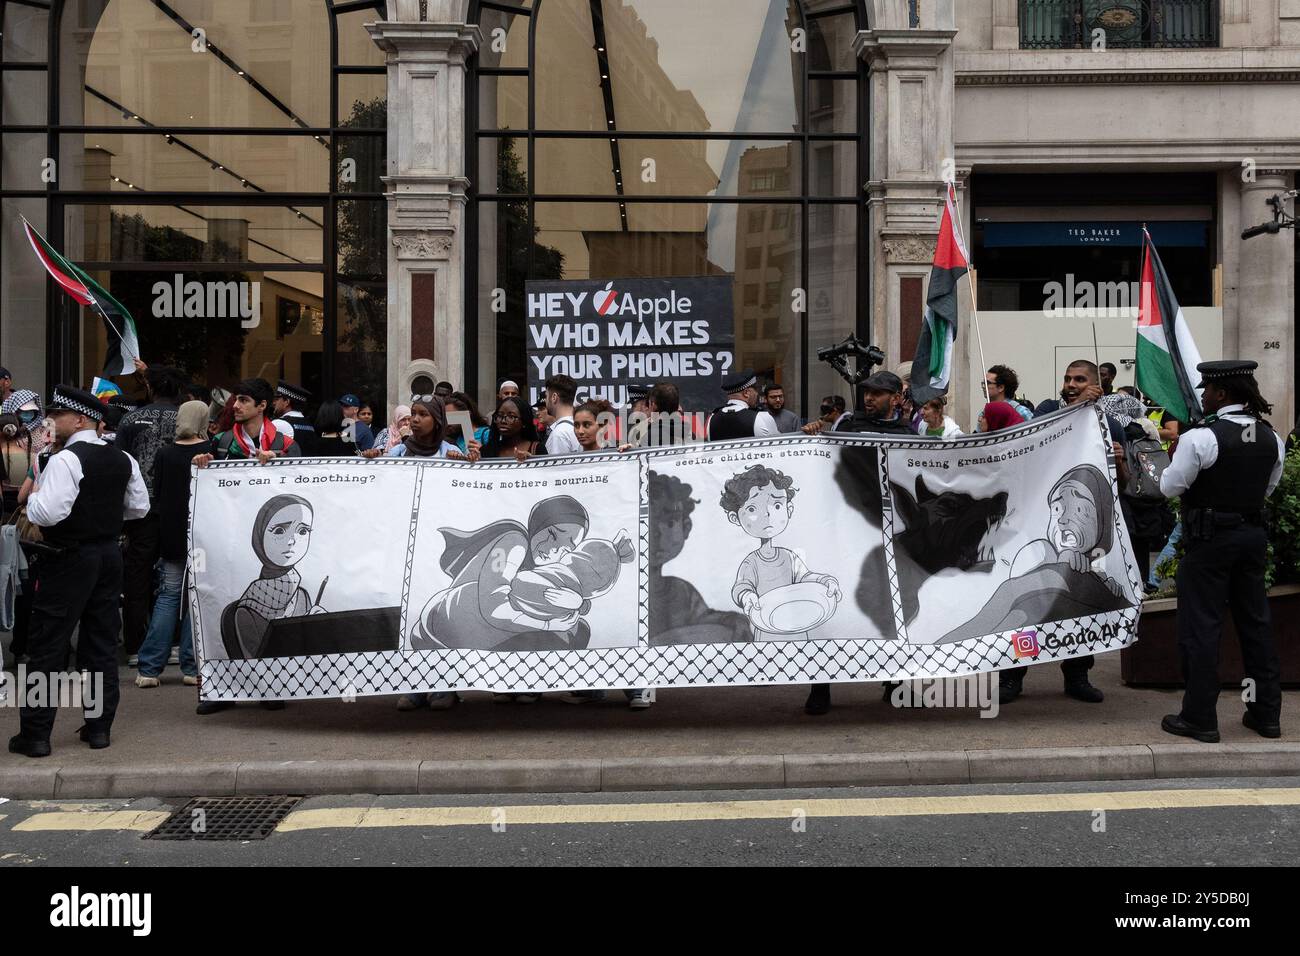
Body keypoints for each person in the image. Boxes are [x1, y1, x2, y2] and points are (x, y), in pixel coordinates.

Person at [8, 387, 149, 758]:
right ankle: (99, 727)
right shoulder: (123, 458)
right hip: (108, 555)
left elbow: (46, 513)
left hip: (67, 557)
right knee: (101, 642)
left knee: (48, 644)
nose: (51, 421)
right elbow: (138, 508)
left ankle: (36, 734)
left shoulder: (66, 460)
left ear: (81, 419)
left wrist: (36, 494)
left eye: (59, 415)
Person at [1158, 360, 1286, 744]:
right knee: (1256, 625)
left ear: (1223, 393)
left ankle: (1200, 718)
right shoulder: (1271, 436)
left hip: (1210, 542)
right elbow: (1268, 488)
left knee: (1201, 628)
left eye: (1207, 390)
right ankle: (1266, 716)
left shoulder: (1202, 437)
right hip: (1251, 537)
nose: (1203, 395)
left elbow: (1169, 487)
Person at [1000, 359, 1125, 707]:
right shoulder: (1047, 411)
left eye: (1080, 379)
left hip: (1087, 537)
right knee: (1031, 603)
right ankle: (1012, 676)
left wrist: (1119, 460)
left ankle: (1078, 675)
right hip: (1043, 524)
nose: (1071, 384)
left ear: (1096, 383)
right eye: (1068, 378)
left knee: (1082, 606)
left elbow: (1123, 484)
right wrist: (1077, 409)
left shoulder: (1109, 423)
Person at [801, 370, 916, 715]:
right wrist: (810, 438)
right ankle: (820, 686)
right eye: (867, 392)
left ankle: (896, 682)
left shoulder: (907, 434)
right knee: (834, 606)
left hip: (889, 533)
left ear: (896, 398)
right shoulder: (847, 427)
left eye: (879, 393)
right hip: (845, 531)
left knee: (894, 610)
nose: (869, 398)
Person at [390, 394, 477, 711]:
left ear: (437, 420)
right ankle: (413, 685)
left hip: (442, 554)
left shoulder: (450, 453)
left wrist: (469, 466)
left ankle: (445, 686)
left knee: (440, 618)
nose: (414, 419)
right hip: (409, 550)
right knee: (410, 617)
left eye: (422, 414)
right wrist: (371, 461)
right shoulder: (397, 453)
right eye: (412, 414)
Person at [134, 400, 210, 688]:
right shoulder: (210, 451)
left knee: (167, 597)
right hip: (203, 534)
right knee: (196, 600)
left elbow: (160, 494)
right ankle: (192, 667)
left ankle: (149, 669)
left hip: (171, 534)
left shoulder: (165, 453)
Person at [114, 365, 186, 667]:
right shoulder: (188, 418)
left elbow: (119, 465)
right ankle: (173, 642)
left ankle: (135, 645)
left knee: (138, 577)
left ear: (151, 389)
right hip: (179, 509)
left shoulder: (130, 420)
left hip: (139, 510)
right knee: (176, 577)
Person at [199, 379, 303, 463]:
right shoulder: (220, 441)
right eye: (236, 399)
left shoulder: (287, 445)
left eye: (243, 400)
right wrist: (206, 465)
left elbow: (295, 481)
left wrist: (278, 459)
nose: (235, 406)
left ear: (262, 405)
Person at [707, 370, 779, 441]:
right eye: (755, 390)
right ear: (746, 393)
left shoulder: (711, 419)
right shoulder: (762, 417)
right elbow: (778, 447)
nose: (757, 394)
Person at [482, 396, 544, 462]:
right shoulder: (486, 451)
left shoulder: (537, 449)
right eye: (500, 415)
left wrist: (531, 461)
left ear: (524, 422)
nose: (503, 421)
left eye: (511, 417)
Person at [272, 380, 318, 456]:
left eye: (277, 399)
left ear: (286, 402)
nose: (274, 403)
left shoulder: (278, 424)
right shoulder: (310, 425)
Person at [543, 374, 582, 456]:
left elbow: (557, 468)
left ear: (554, 397)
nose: (545, 401)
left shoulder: (559, 434)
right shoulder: (584, 427)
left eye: (546, 397)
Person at [445, 391, 491, 455]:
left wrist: (483, 451)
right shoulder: (454, 438)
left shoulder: (486, 434)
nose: (448, 422)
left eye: (451, 416)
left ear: (467, 414)